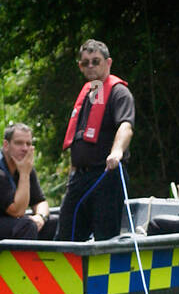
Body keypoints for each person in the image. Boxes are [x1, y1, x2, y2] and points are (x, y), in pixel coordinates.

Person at [55, 39, 135, 241]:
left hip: (106, 175)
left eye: (96, 61)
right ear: (80, 67)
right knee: (66, 234)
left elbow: (126, 126)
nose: (90, 66)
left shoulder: (119, 92)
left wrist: (117, 151)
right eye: (85, 62)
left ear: (108, 63)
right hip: (80, 178)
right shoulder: (91, 93)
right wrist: (72, 172)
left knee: (104, 236)